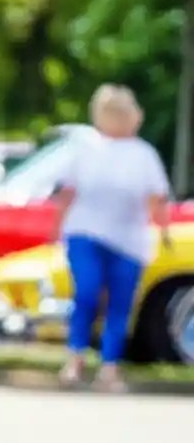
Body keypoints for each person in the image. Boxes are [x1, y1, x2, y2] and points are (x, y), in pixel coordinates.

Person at [53, 84, 173, 393]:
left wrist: (165, 230)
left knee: (120, 302)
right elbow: (67, 191)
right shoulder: (86, 148)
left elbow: (156, 198)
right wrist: (55, 229)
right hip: (86, 232)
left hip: (128, 238)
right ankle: (75, 357)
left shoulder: (143, 155)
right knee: (87, 292)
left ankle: (109, 367)